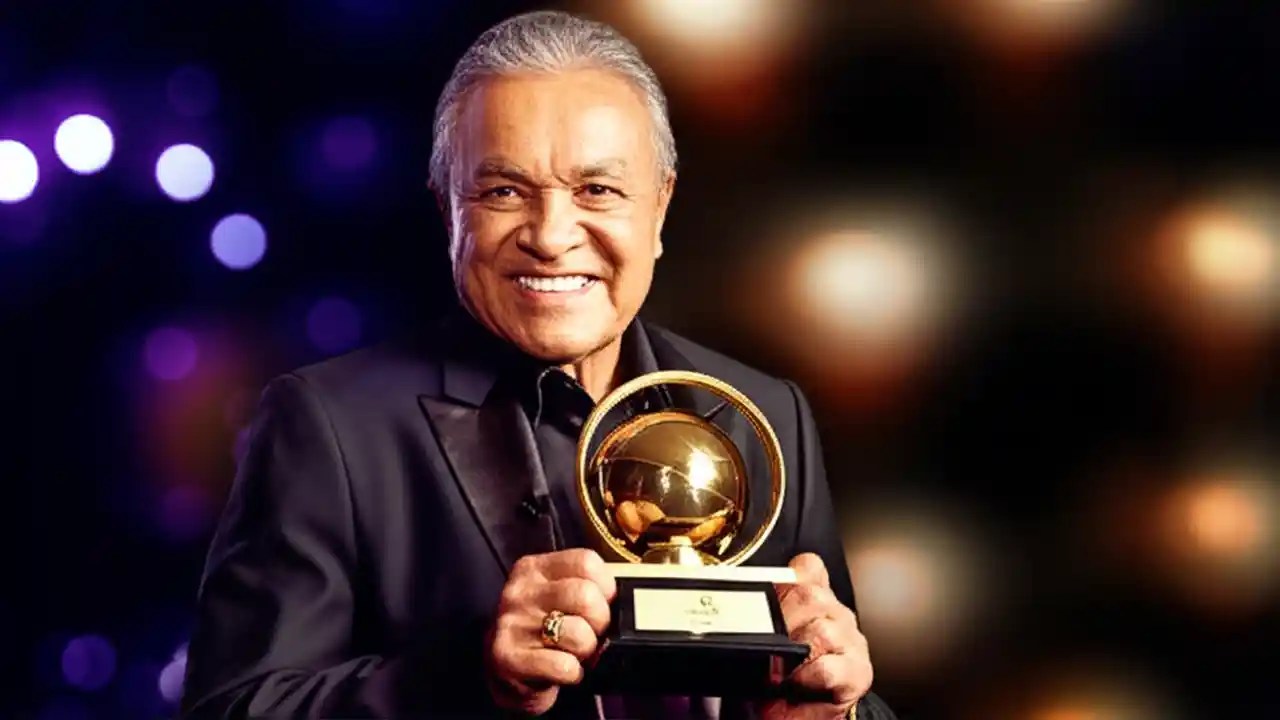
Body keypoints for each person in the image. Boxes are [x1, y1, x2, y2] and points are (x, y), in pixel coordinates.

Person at [181, 10, 897, 720]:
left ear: (661, 208)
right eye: (503, 192)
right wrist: (473, 679)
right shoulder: (327, 424)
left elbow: (841, 685)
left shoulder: (767, 418)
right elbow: (233, 709)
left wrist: (838, 713)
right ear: (447, 212)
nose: (552, 238)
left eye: (599, 190)